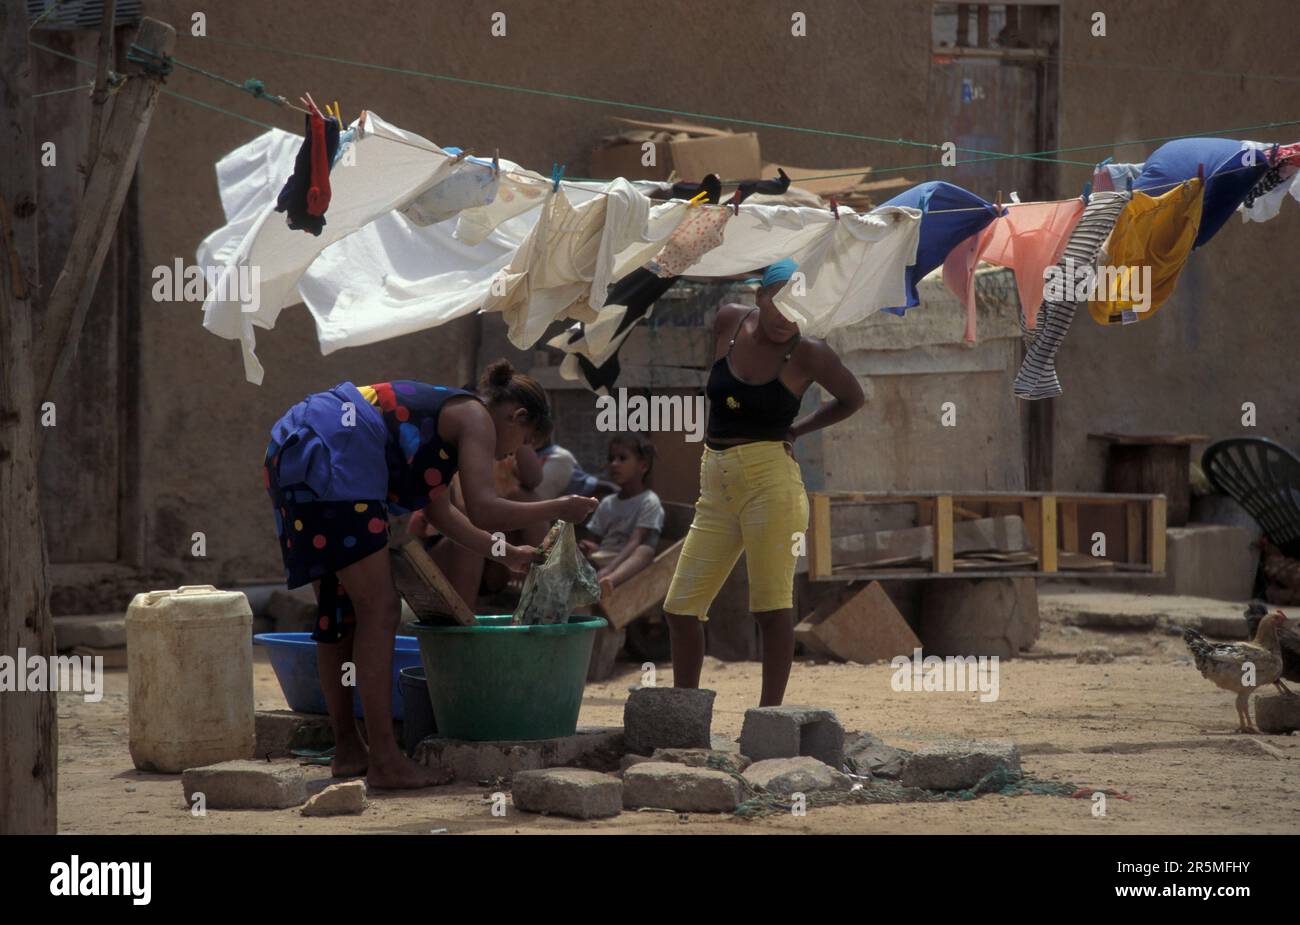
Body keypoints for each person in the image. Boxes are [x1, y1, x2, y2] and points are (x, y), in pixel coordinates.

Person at [263, 360, 598, 787]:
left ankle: (350, 750)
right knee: (381, 608)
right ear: (517, 417)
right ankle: (385, 759)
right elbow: (483, 506)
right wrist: (559, 507)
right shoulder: (475, 416)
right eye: (522, 443)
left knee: (340, 610)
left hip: (298, 448)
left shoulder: (443, 423)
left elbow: (445, 514)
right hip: (338, 450)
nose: (510, 454)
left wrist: (507, 552)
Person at [663, 259, 865, 706]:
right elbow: (721, 393)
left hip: (770, 484)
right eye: (780, 303)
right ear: (760, 296)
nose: (788, 317)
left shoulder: (810, 352)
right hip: (714, 482)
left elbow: (852, 398)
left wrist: (797, 429)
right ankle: (684, 713)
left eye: (800, 307)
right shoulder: (728, 322)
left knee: (771, 607)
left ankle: (769, 717)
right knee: (680, 608)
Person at [579, 433, 665, 598]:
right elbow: (595, 540)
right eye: (611, 459)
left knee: (645, 551)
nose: (614, 464)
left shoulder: (649, 502)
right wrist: (587, 547)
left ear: (643, 465)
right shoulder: (608, 503)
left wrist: (609, 571)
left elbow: (635, 542)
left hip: (627, 565)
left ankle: (608, 583)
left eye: (622, 458)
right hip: (604, 559)